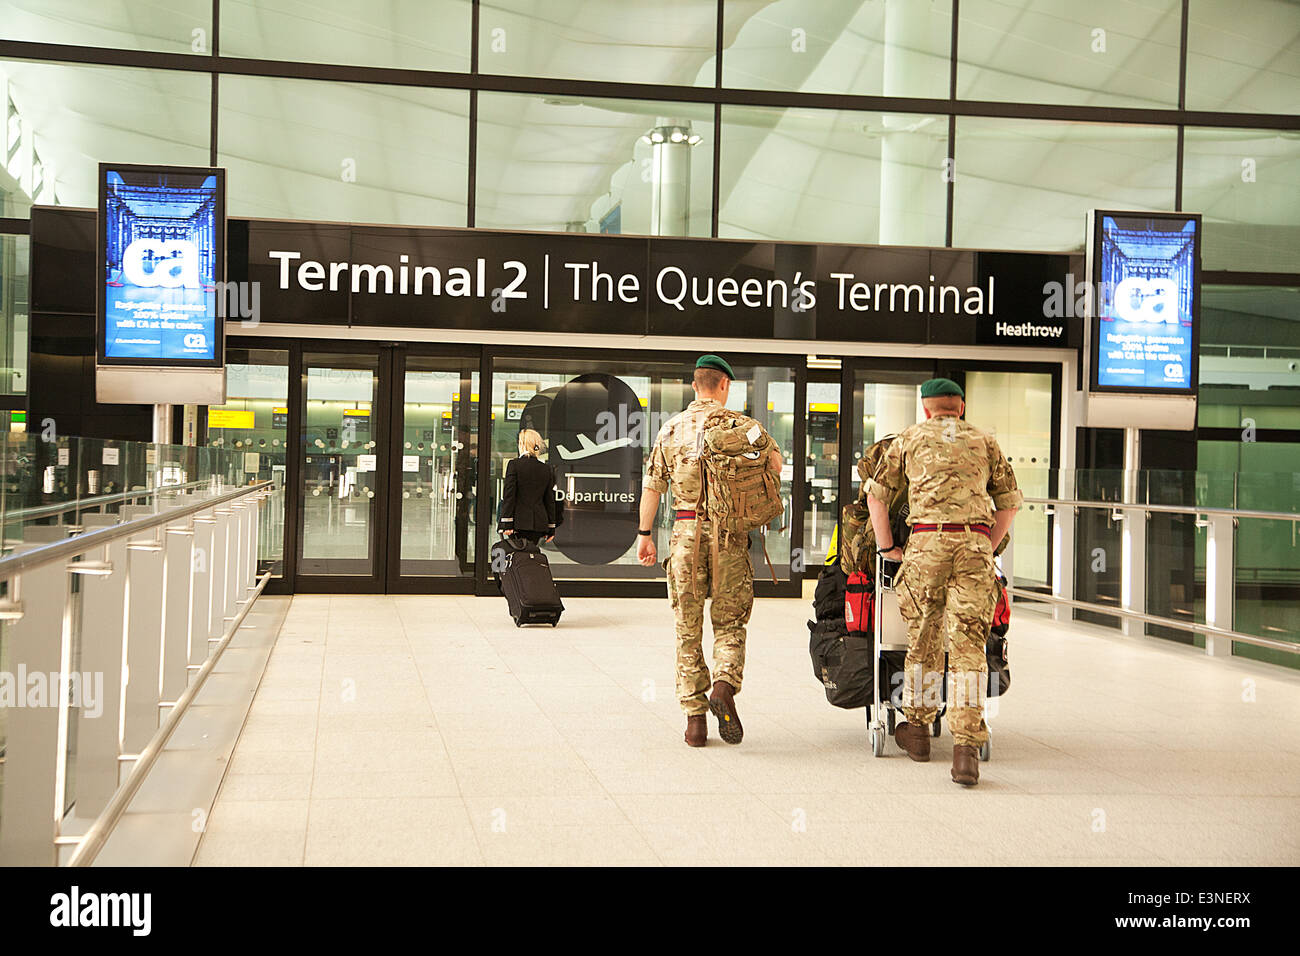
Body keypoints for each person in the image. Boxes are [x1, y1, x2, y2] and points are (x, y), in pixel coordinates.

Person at [865, 378, 1020, 787]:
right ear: (962, 407)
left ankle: (917, 731)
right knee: (968, 647)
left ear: (926, 409)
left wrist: (886, 549)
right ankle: (965, 749)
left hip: (926, 544)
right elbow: (1009, 503)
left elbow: (876, 496)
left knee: (924, 640)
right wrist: (986, 543)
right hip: (973, 546)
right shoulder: (985, 442)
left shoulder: (909, 440)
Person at [637, 355, 783, 748]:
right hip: (730, 539)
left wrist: (644, 534)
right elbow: (776, 464)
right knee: (730, 624)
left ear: (694, 385)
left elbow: (652, 486)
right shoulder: (744, 427)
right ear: (724, 386)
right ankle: (723, 685)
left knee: (687, 629)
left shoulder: (670, 430)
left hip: (685, 535)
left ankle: (695, 722)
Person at [498, 428, 561, 547]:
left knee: (519, 559)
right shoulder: (545, 468)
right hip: (539, 523)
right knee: (530, 556)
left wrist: (506, 522)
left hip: (518, 522)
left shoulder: (514, 465)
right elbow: (549, 499)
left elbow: (509, 496)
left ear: (522, 444)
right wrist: (551, 526)